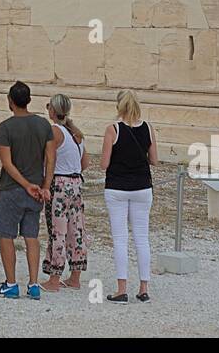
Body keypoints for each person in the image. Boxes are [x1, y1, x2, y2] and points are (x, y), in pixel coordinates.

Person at [0, 80, 54, 301]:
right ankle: (34, 284)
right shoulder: (43, 125)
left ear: (10, 101)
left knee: (6, 236)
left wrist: (26, 184)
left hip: (13, 188)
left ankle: (11, 284)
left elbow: (7, 163)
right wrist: (45, 186)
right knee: (31, 236)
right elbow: (50, 158)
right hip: (37, 189)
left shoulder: (6, 127)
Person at [100, 89, 157, 303]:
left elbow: (104, 163)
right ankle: (144, 288)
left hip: (117, 188)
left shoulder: (112, 129)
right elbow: (154, 159)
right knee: (142, 238)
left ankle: (121, 288)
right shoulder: (148, 129)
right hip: (142, 186)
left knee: (120, 238)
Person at [41, 93, 88, 293]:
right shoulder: (77, 135)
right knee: (75, 231)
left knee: (57, 231)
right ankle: (75, 277)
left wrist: (46, 185)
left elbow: (49, 161)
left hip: (59, 184)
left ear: (53, 110)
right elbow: (85, 163)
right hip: (76, 184)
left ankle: (54, 278)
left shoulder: (55, 131)